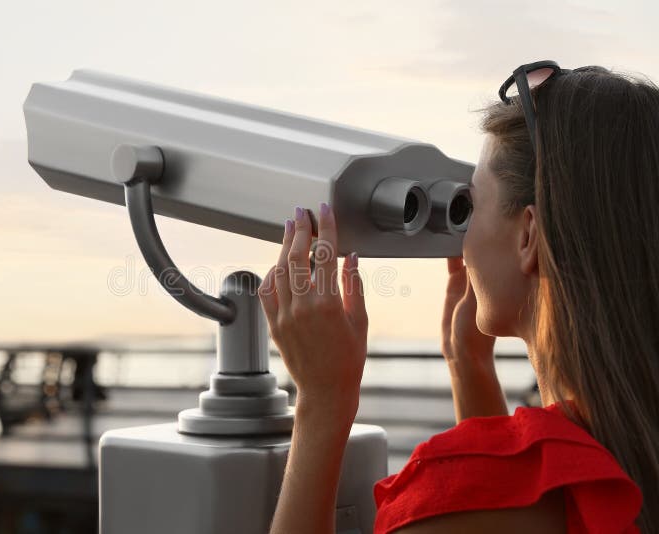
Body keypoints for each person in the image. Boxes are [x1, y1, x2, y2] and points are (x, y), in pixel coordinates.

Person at [257, 61, 658, 533]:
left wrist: (323, 402)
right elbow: (536, 479)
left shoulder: (456, 497)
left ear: (529, 236)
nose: (461, 242)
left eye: (473, 204)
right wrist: (469, 363)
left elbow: (499, 492)